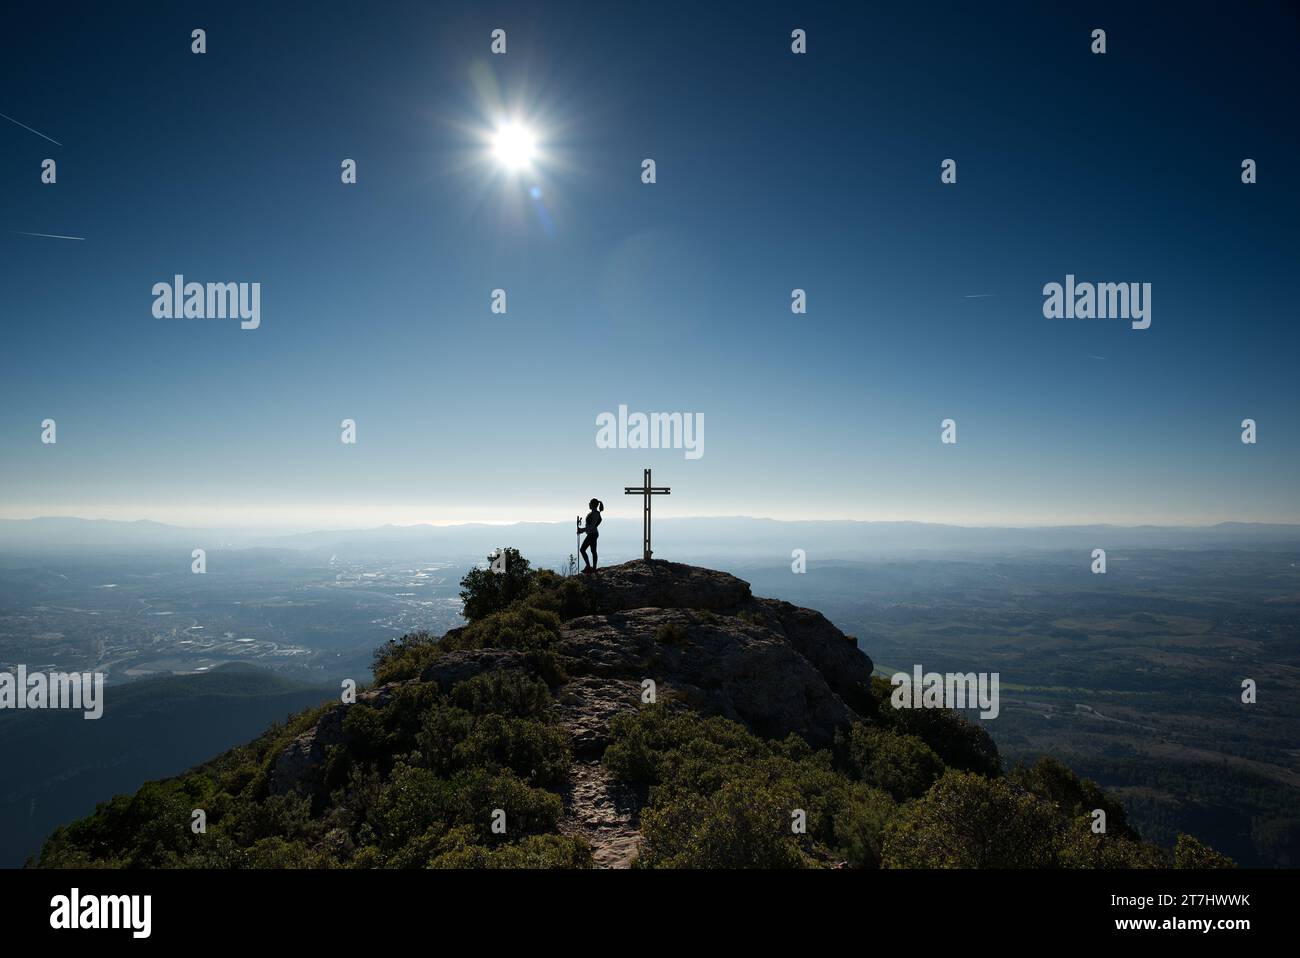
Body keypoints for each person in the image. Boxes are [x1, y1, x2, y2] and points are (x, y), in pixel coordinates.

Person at [578, 498, 603, 572]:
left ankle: (589, 567)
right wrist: (582, 530)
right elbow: (592, 526)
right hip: (593, 533)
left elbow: (592, 526)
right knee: (593, 551)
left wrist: (582, 530)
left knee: (583, 549)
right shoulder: (594, 513)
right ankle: (593, 568)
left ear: (592, 504)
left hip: (592, 534)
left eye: (590, 503)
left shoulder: (595, 513)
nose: (589, 504)